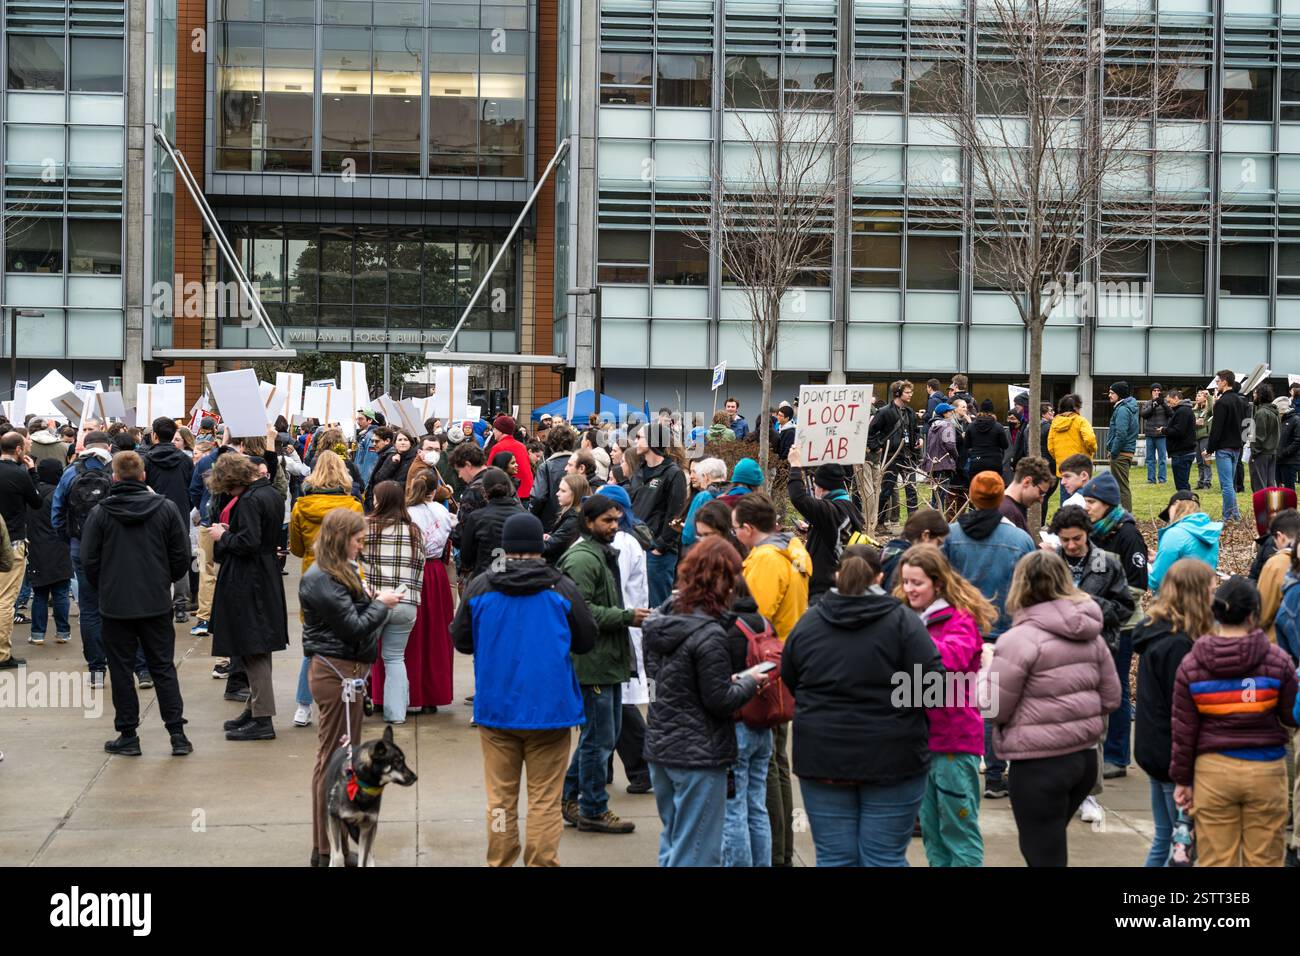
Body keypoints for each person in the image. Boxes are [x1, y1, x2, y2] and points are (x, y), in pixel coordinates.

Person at [450, 511, 596, 866]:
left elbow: (462, 640)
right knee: (545, 800)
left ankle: (499, 860)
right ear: (539, 546)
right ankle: (541, 862)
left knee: (500, 799)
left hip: (497, 710)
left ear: (506, 548)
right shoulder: (560, 586)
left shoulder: (482, 586)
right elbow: (586, 638)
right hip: (552, 710)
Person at [782, 545, 941, 866]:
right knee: (883, 858)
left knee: (834, 858)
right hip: (893, 756)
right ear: (880, 576)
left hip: (822, 756)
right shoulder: (903, 623)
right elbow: (931, 688)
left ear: (838, 575)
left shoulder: (809, 624)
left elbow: (791, 678)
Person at [986, 550, 1122, 866]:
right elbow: (1112, 698)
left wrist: (987, 669)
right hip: (1084, 760)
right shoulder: (1092, 636)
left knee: (1042, 854)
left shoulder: (1017, 641)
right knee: (1049, 844)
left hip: (1038, 766)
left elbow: (993, 709)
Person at [641, 536, 764, 866]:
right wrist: (749, 682)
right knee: (697, 850)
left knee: (673, 842)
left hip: (661, 746)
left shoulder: (658, 623)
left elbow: (671, 681)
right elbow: (719, 700)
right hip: (699, 753)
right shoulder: (710, 634)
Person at [1171, 577, 1298, 866]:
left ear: (1216, 612)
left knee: (1216, 858)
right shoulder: (1277, 661)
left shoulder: (1192, 665)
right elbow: (1291, 715)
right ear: (1254, 615)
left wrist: (1182, 779)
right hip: (1266, 770)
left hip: (1213, 770)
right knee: (1265, 858)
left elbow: (1184, 730)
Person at [300, 508, 401, 867]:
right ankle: (326, 848)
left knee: (340, 759)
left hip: (345, 672)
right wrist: (380, 604)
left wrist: (371, 599)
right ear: (342, 538)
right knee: (332, 760)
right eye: (358, 539)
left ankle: (332, 845)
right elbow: (354, 626)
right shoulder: (322, 578)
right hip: (337, 673)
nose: (362, 545)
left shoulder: (335, 571)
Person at [80, 451, 192, 757]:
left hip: (117, 604)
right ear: (143, 476)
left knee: (120, 669)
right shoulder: (166, 509)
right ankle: (177, 734)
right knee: (162, 668)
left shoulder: (101, 513)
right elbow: (181, 555)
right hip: (154, 600)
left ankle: (128, 734)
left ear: (114, 477)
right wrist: (162, 579)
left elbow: (89, 560)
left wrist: (106, 584)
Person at [895, 545, 995, 867]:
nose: (910, 589)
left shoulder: (959, 620)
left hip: (953, 741)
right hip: (919, 744)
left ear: (937, 583)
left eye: (917, 582)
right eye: (906, 581)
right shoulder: (908, 619)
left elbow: (947, 662)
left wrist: (909, 640)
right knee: (933, 835)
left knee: (959, 832)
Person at [557, 494, 651, 833]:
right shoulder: (583, 559)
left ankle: (571, 800)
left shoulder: (601, 553)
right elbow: (581, 610)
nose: (614, 526)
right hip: (593, 661)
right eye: (607, 521)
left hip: (607, 659)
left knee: (600, 738)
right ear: (589, 522)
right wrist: (627, 616)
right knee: (598, 740)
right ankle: (593, 808)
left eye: (617, 520)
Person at [942, 471, 1037, 799]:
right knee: (996, 708)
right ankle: (996, 776)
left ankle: (958, 776)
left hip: (959, 633)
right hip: (1005, 632)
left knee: (956, 705)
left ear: (970, 496)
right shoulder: (1021, 541)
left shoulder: (950, 536)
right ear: (1000, 498)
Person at [732, 492, 810, 867]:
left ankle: (777, 853)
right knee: (776, 762)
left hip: (767, 670)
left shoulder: (764, 560)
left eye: (737, 530)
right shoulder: (792, 549)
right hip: (786, 661)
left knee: (768, 765)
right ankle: (780, 849)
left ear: (748, 528)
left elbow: (752, 620)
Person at [1132, 558, 1215, 866]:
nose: (1213, 595)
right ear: (1195, 593)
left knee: (1164, 835)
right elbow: (1183, 708)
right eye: (1210, 589)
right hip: (1173, 753)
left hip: (1153, 747)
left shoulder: (1155, 634)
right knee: (1180, 844)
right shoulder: (1179, 646)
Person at [208, 451, 290, 741]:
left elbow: (249, 542)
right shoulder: (269, 493)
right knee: (256, 645)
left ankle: (262, 717)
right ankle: (255, 709)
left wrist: (224, 536)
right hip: (263, 573)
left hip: (249, 577)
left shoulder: (250, 500)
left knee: (253, 646)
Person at [1077, 471, 1150, 779]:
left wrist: (1097, 602)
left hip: (1122, 626)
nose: (1087, 507)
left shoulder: (1128, 535)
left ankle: (1118, 757)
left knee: (1116, 690)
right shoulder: (1094, 531)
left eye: (1091, 502)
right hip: (1095, 622)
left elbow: (1137, 587)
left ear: (1107, 504)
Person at [287, 450, 364, 727]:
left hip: (313, 575)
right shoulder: (354, 506)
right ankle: (349, 701)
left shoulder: (301, 507)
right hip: (347, 577)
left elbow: (295, 548)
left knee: (314, 644)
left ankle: (303, 706)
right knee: (350, 642)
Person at [600, 482, 653, 795]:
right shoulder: (620, 540)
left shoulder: (620, 542)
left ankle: (643, 767)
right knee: (607, 701)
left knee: (617, 702)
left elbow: (610, 585)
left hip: (620, 625)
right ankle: (602, 766)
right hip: (619, 623)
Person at [360, 481, 426, 724]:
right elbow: (421, 564)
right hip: (405, 601)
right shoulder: (414, 530)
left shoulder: (365, 527)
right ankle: (396, 714)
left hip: (373, 601)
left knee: (359, 657)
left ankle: (353, 709)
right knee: (395, 658)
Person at [786, 445, 863, 603]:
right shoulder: (849, 507)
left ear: (821, 488)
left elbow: (798, 497)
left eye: (815, 486)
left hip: (824, 591)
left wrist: (795, 465)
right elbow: (834, 534)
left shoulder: (829, 510)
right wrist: (813, 532)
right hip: (841, 582)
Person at [142, 416, 195, 624]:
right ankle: (180, 604)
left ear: (154, 435)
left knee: (154, 558)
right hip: (180, 514)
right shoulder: (184, 459)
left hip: (152, 514)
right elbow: (193, 489)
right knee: (180, 558)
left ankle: (158, 601)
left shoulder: (146, 460)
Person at [630, 423, 688, 607]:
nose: (635, 441)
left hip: (657, 553)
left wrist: (660, 546)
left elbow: (676, 515)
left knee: (658, 607)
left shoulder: (673, 473)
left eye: (639, 437)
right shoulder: (639, 471)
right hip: (636, 548)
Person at [0, 432, 39, 666]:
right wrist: (32, 472)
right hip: (12, 541)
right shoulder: (19, 475)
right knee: (5, 599)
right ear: (18, 450)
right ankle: (2, 654)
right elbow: (37, 502)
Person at [25, 458, 72, 647]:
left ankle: (37, 633)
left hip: (37, 548)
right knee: (61, 593)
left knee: (40, 594)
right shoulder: (60, 495)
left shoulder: (32, 495)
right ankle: (63, 631)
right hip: (60, 547)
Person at [1148, 491, 1223, 595]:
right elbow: (1191, 559)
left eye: (1168, 512)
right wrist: (1159, 558)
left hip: (1175, 604)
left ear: (1176, 504)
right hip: (1203, 602)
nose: (1169, 519)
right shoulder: (1209, 534)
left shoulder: (1174, 534)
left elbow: (1156, 580)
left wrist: (1141, 567)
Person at [870, 380, 920, 529]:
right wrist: (876, 447)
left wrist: (918, 440)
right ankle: (878, 523)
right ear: (897, 393)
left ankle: (914, 524)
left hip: (908, 455)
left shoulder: (910, 412)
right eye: (907, 392)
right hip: (891, 456)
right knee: (886, 490)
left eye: (911, 391)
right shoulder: (884, 411)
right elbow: (870, 432)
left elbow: (915, 430)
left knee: (912, 489)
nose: (911, 394)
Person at [458, 467, 524, 577]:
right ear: (509, 488)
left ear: (484, 491)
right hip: (518, 577)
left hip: (486, 578)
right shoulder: (525, 515)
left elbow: (466, 556)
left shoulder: (477, 517)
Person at [1206, 370, 1249, 522]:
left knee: (1227, 486)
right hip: (1237, 447)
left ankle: (1230, 516)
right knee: (1229, 484)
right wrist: (1242, 442)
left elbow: (1216, 429)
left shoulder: (1222, 403)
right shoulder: (1241, 401)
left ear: (1225, 382)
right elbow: (1247, 425)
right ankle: (1231, 514)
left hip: (1224, 448)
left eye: (1218, 381)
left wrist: (1209, 449)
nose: (1216, 384)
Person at [880, 508, 949, 587]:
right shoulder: (906, 564)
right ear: (925, 535)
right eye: (939, 543)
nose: (939, 550)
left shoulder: (890, 552)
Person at [529, 424, 577, 529]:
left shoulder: (546, 466)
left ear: (551, 444)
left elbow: (538, 497)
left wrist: (530, 515)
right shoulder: (579, 463)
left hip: (550, 523)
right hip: (575, 521)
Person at [1045, 395, 1097, 491]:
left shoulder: (1054, 423)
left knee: (1065, 500)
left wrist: (1059, 458)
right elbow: (1090, 440)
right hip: (1080, 467)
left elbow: (1050, 447)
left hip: (1063, 468)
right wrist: (1091, 451)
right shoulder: (1081, 421)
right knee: (1081, 499)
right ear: (1076, 407)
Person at [1106, 382, 1140, 513]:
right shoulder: (1126, 408)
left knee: (1122, 488)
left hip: (1121, 453)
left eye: (1112, 393)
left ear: (1119, 394)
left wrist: (1113, 452)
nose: (1109, 395)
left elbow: (1121, 434)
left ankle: (1126, 519)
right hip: (1125, 452)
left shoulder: (1122, 410)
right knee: (1120, 486)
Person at [680, 457, 728, 551]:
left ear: (705, 477)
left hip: (702, 550)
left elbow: (688, 535)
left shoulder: (703, 497)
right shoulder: (732, 494)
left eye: (700, 476)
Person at [998, 456, 1053, 534]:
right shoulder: (1007, 511)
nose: (1041, 500)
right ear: (1027, 482)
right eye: (1041, 493)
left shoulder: (1012, 507)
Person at [542, 473, 588, 565]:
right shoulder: (570, 514)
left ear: (575, 494)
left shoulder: (573, 520)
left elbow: (550, 547)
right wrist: (550, 536)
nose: (557, 493)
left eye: (563, 491)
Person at [487, 415, 534, 498]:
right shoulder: (521, 446)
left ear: (500, 431)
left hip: (511, 495)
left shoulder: (498, 447)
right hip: (527, 492)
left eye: (494, 429)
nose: (493, 431)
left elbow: (489, 472)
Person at [1162, 389, 1198, 492]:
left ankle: (1187, 505)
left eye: (1169, 401)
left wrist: (1164, 430)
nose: (1168, 404)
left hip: (1182, 452)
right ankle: (1187, 503)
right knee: (1182, 484)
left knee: (1182, 485)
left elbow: (1179, 431)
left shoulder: (1182, 411)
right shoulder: (1182, 410)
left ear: (1176, 398)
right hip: (1182, 451)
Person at [924, 402, 958, 509]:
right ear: (944, 413)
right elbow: (950, 445)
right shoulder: (947, 425)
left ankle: (934, 518)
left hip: (933, 464)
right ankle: (939, 520)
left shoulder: (932, 426)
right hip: (944, 463)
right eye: (950, 411)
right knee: (942, 496)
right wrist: (956, 457)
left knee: (936, 495)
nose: (952, 413)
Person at [1252, 383, 1281, 493]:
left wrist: (1254, 452)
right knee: (1270, 485)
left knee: (1260, 486)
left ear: (1260, 395)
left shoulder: (1262, 413)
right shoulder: (1275, 412)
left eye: (1255, 393)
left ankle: (1263, 509)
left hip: (1261, 453)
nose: (1254, 396)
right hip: (1271, 452)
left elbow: (1259, 436)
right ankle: (1271, 509)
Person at [1141, 383, 1170, 484]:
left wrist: (1163, 404)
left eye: (1158, 391)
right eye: (1155, 391)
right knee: (1150, 459)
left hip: (1161, 435)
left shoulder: (1165, 402)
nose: (1157, 392)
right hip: (1150, 434)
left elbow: (1171, 413)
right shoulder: (1147, 403)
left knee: (1162, 459)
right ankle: (1151, 479)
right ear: (1151, 392)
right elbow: (1143, 415)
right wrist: (1153, 406)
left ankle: (1162, 479)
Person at [353, 409, 382, 486]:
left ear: (369, 420)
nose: (358, 422)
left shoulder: (372, 436)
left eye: (361, 419)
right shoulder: (366, 434)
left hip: (364, 480)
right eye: (357, 419)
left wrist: (364, 484)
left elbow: (370, 462)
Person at [1194, 389, 1215, 490]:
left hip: (1205, 437)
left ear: (1204, 398)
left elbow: (1211, 407)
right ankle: (1201, 481)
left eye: (1199, 395)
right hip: (1196, 438)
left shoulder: (1208, 410)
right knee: (1199, 461)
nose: (1197, 397)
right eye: (1197, 396)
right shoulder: (1194, 411)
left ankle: (1207, 482)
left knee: (1206, 460)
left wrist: (1209, 396)